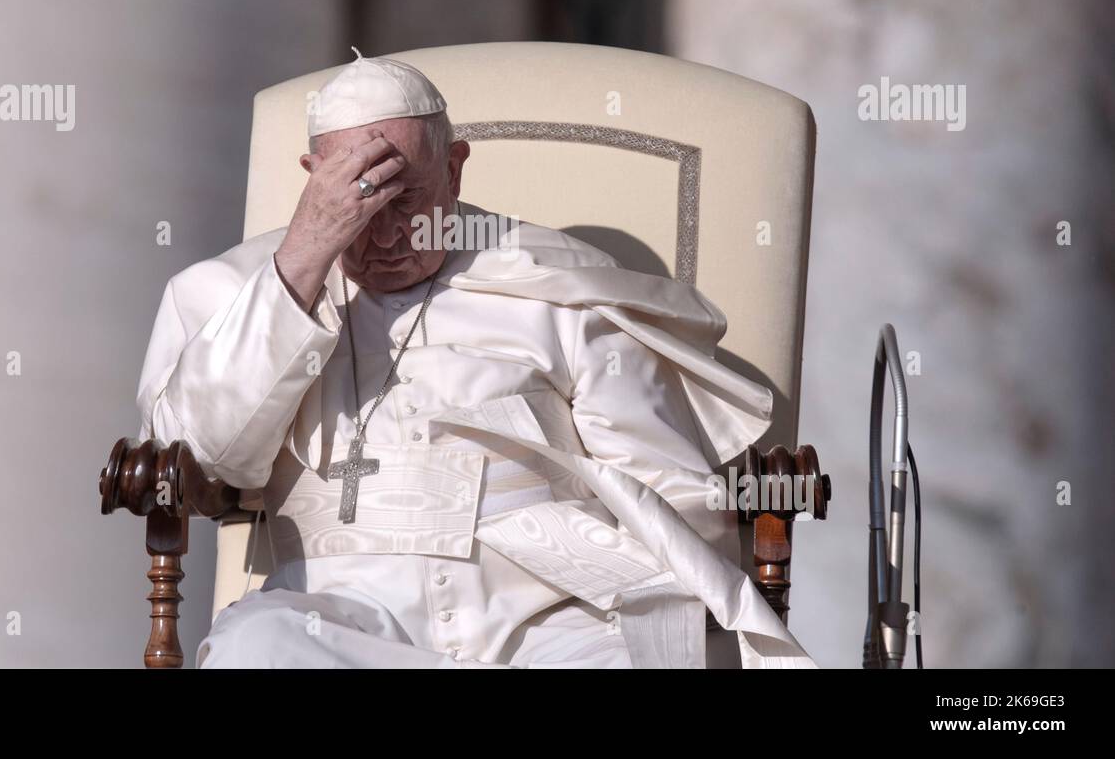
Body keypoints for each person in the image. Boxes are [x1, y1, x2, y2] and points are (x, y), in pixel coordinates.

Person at [135, 49, 813, 668]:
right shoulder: (232, 293)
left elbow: (665, 482)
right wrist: (306, 255)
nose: (389, 232)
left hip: (547, 618)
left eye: (407, 197)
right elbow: (203, 455)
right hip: (340, 622)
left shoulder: (555, 282)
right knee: (257, 650)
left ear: (454, 168)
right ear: (314, 180)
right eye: (356, 201)